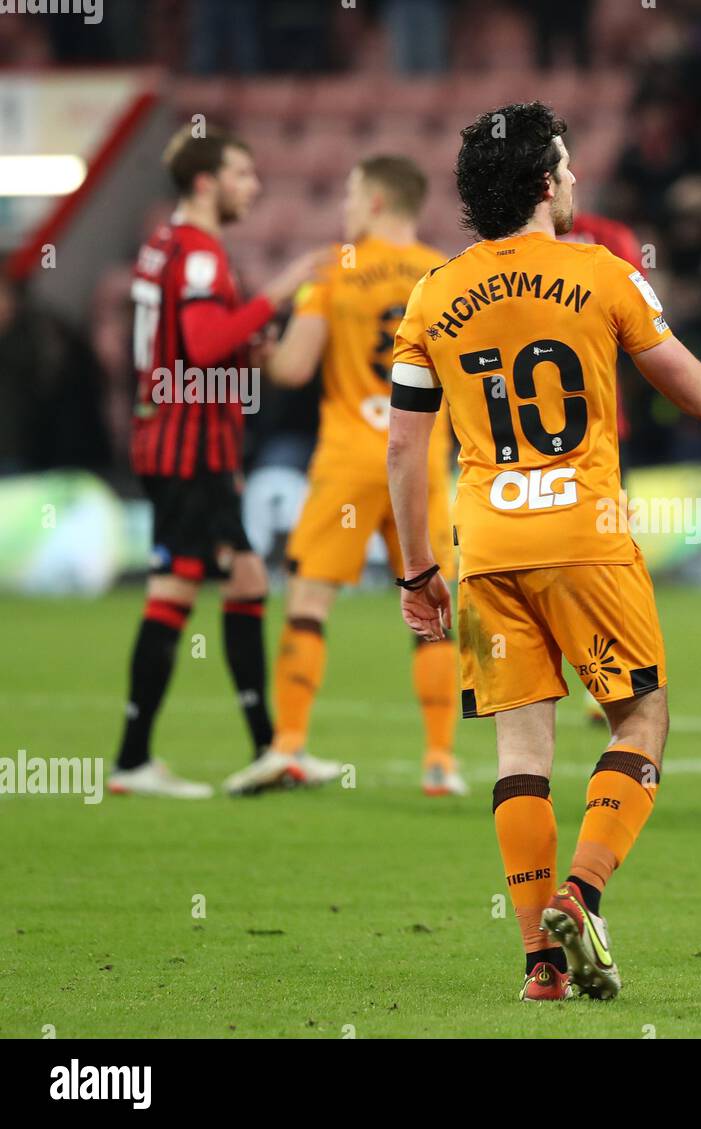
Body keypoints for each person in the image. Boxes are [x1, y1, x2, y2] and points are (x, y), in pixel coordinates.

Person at [386, 102, 701, 1001]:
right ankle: (584, 893)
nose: (575, 176)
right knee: (641, 719)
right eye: (565, 162)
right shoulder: (604, 273)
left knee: (521, 750)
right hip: (586, 540)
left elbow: (404, 449)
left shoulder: (432, 294)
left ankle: (540, 966)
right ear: (547, 182)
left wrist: (415, 572)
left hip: (483, 547)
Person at [224, 157, 465, 797]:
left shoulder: (336, 269)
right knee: (432, 607)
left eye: (354, 195)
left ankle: (289, 746)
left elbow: (296, 369)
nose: (346, 209)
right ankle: (441, 761)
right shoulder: (445, 274)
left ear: (380, 201)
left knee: (308, 603)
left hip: (349, 457)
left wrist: (270, 355)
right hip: (422, 459)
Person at [110, 126, 327, 798]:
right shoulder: (200, 254)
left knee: (245, 581)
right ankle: (135, 758)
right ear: (205, 182)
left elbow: (195, 341)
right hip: (188, 449)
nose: (253, 186)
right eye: (241, 174)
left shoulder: (166, 244)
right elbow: (201, 347)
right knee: (176, 591)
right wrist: (283, 289)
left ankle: (265, 748)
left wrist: (248, 332)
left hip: (184, 444)